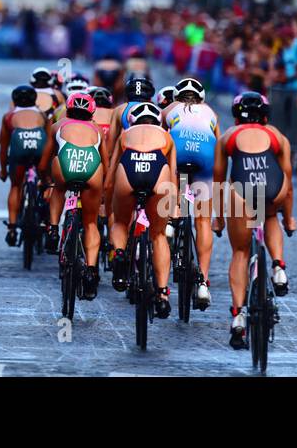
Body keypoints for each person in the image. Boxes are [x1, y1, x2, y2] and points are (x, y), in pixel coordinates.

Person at [215, 91, 295, 350]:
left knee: (240, 251)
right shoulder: (277, 136)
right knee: (270, 214)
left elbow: (218, 179)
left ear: (237, 115)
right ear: (265, 115)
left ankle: (238, 316)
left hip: (241, 184)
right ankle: (278, 267)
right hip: (272, 183)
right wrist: (290, 218)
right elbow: (289, 182)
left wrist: (219, 218)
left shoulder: (228, 136)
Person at [105, 100, 176, 318]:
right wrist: (174, 209)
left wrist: (107, 206)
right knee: (158, 235)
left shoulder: (125, 135)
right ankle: (163, 295)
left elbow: (110, 176)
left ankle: (118, 255)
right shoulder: (166, 136)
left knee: (119, 222)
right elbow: (173, 179)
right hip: (158, 171)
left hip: (129, 168)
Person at [39, 91, 106, 299]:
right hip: (91, 167)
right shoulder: (97, 130)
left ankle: (52, 228)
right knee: (90, 224)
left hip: (66, 163)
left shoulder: (57, 126)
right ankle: (92, 270)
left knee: (58, 187)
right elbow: (105, 161)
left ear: (68, 110)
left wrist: (45, 180)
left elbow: (44, 161)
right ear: (91, 113)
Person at [162, 76, 220, 309]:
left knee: (166, 165)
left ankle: (170, 217)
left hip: (179, 155)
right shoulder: (211, 112)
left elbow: (157, 138)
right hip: (205, 157)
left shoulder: (171, 108)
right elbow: (218, 142)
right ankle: (203, 282)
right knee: (203, 220)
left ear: (177, 97)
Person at [0, 84, 50, 247]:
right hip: (39, 146)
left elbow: (4, 146)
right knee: (48, 184)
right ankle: (46, 219)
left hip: (19, 149)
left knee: (15, 186)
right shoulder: (43, 115)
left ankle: (12, 228)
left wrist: (3, 169)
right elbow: (50, 144)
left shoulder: (8, 116)